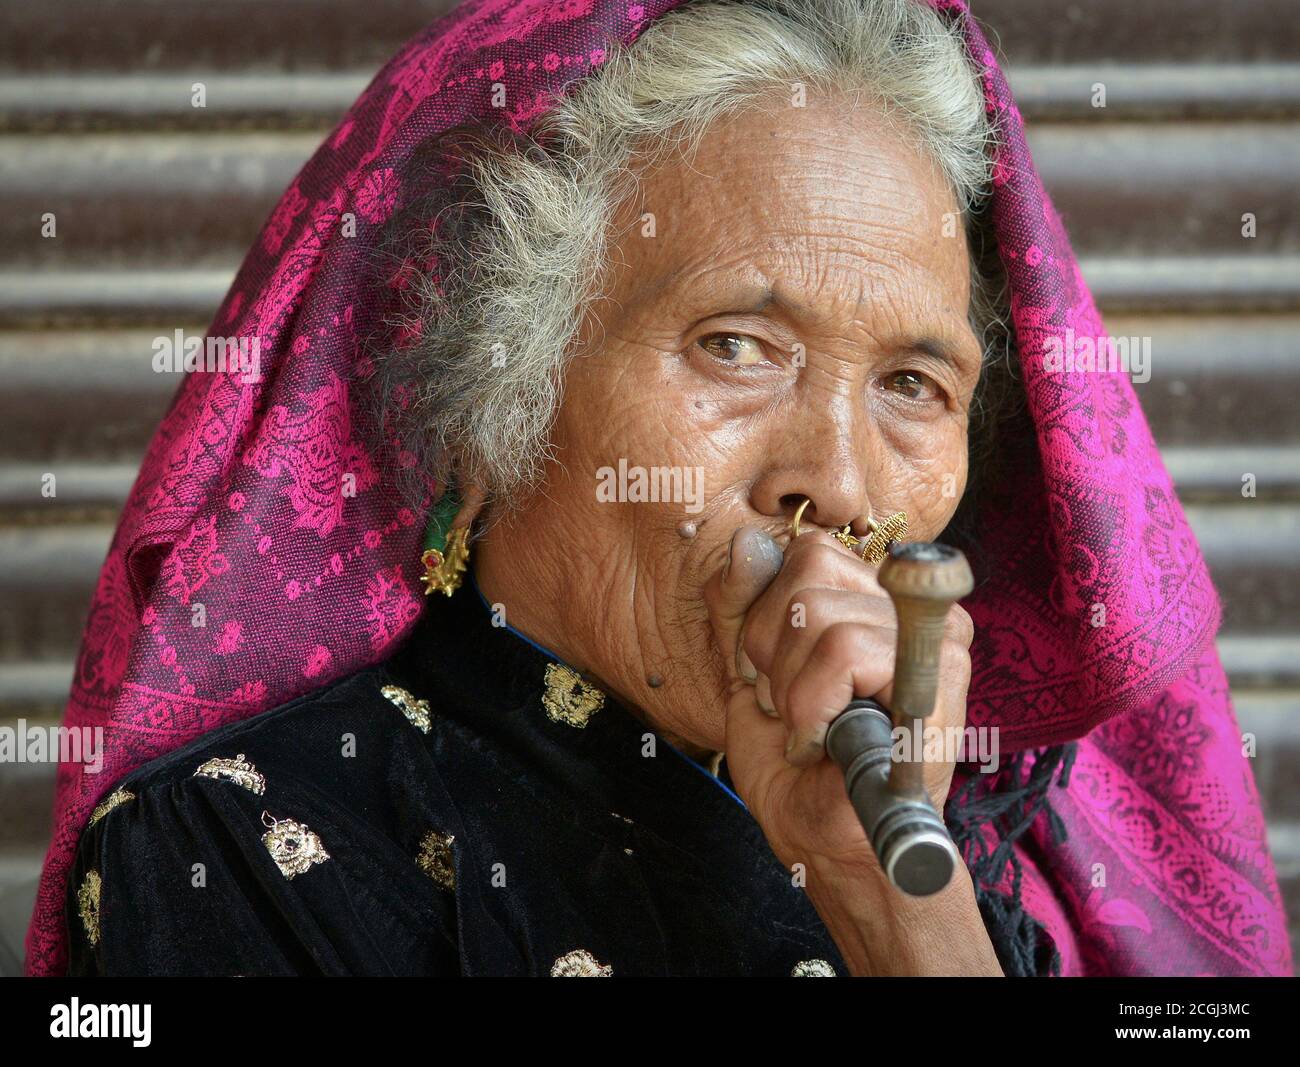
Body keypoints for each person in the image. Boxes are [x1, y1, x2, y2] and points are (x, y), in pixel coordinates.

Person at [30, 0, 1290, 977]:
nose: (842, 485)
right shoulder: (237, 851)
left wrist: (895, 909)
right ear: (498, 398)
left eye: (913, 382)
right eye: (736, 346)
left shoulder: (956, 864)